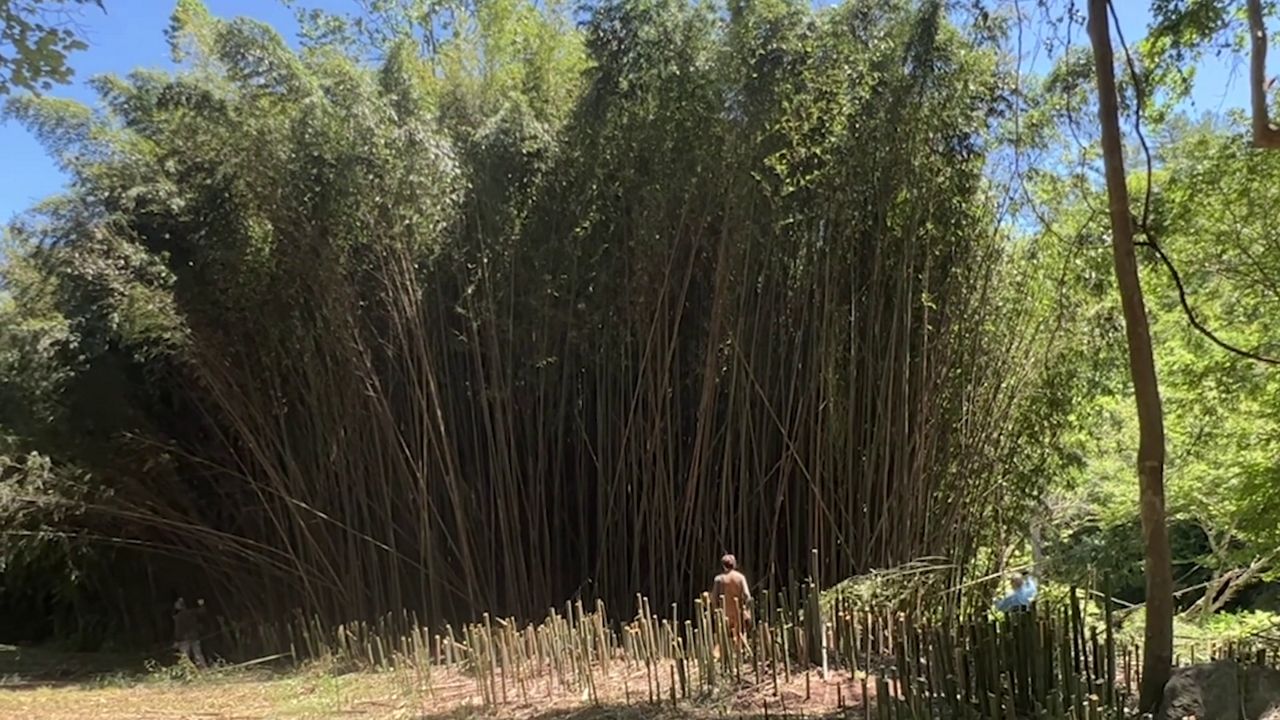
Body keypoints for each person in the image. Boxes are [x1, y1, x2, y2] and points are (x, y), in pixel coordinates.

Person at [711, 554, 751, 644]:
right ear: (734, 564)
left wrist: (715, 611)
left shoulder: (719, 579)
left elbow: (714, 598)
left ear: (723, 565)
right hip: (739, 615)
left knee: (726, 641)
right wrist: (746, 609)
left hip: (725, 615)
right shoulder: (740, 577)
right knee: (740, 639)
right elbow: (747, 596)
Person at [173, 597, 208, 668]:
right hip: (194, 636)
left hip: (184, 639)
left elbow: (178, 630)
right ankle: (203, 669)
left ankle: (188, 670)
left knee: (185, 656)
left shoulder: (178, 616)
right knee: (198, 654)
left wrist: (177, 640)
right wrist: (201, 604)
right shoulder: (191, 612)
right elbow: (202, 611)